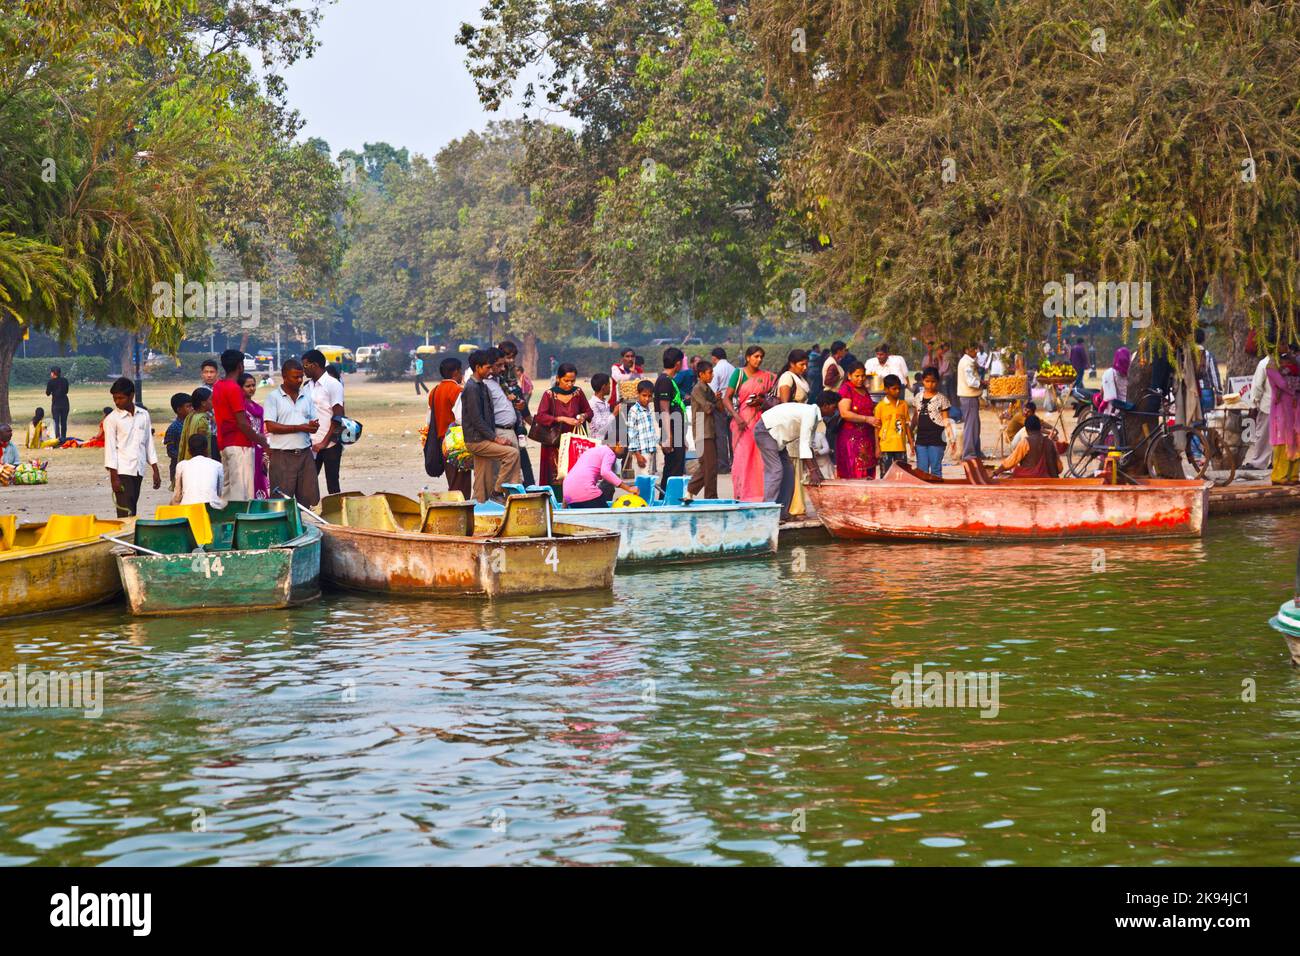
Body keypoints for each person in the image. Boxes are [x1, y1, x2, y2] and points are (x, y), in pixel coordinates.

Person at [753, 391, 841, 520]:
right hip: (766, 431)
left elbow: (808, 446)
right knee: (776, 471)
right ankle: (767, 514)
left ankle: (782, 513)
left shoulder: (814, 415)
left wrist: (817, 472)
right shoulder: (810, 413)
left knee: (789, 472)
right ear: (826, 405)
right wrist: (813, 471)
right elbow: (804, 446)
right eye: (834, 407)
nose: (835, 411)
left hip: (778, 437)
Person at [462, 349, 521, 502]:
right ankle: (497, 491)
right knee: (511, 454)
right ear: (477, 367)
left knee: (483, 480)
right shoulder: (472, 388)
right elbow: (476, 419)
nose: (491, 371)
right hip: (477, 440)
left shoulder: (481, 385)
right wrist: (496, 438)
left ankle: (479, 509)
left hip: (483, 438)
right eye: (487, 368)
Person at [211, 349, 269, 501]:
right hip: (240, 444)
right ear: (240, 366)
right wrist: (261, 440)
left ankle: (228, 523)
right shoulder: (234, 389)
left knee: (228, 491)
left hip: (224, 443)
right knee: (242, 492)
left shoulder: (217, 386)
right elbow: (242, 423)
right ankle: (241, 523)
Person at [263, 358, 321, 506]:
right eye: (295, 377)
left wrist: (312, 426)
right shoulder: (273, 398)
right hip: (282, 456)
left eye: (301, 376)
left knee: (306, 501)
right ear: (284, 376)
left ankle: (302, 527)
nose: (300, 380)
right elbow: (270, 427)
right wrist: (299, 427)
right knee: (280, 503)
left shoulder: (306, 396)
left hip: (304, 454)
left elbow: (314, 423)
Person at [725, 346, 776, 501]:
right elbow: (726, 398)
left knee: (760, 459)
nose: (759, 359)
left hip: (760, 420)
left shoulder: (767, 376)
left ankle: (760, 495)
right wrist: (736, 416)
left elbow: (773, 397)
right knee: (743, 457)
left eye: (761, 357)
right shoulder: (738, 374)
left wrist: (762, 401)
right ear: (748, 357)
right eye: (755, 356)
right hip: (742, 422)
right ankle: (742, 494)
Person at [103, 377, 160, 517]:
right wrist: (114, 477)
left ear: (131, 396)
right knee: (125, 511)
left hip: (138, 469)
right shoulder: (111, 419)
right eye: (115, 398)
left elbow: (148, 443)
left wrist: (155, 469)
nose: (117, 402)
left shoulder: (144, 415)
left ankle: (131, 535)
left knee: (132, 507)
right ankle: (126, 536)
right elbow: (110, 450)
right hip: (122, 470)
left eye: (121, 398)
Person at [535, 363, 592, 486]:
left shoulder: (578, 392)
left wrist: (583, 416)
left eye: (573, 381)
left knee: (575, 477)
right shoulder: (549, 394)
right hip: (554, 442)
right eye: (566, 380)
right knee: (555, 477)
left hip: (574, 443)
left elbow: (589, 411)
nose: (570, 384)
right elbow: (540, 416)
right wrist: (562, 419)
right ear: (558, 379)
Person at [427, 357, 472, 500]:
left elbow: (429, 419)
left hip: (441, 440)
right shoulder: (457, 390)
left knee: (452, 478)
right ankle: (459, 509)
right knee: (462, 482)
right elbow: (460, 418)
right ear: (456, 372)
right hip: (456, 441)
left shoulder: (434, 391)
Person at [489, 346, 534, 487]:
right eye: (508, 357)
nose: (511, 360)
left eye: (513, 356)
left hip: (517, 427)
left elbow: (520, 404)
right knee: (508, 467)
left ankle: (528, 489)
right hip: (503, 429)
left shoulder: (511, 377)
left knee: (523, 464)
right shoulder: (495, 380)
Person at [302, 348, 345, 496]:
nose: (303, 370)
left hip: (330, 443)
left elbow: (338, 416)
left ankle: (337, 515)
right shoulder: (306, 387)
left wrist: (324, 443)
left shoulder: (333, 384)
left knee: (333, 484)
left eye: (305, 366)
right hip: (311, 443)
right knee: (307, 483)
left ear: (314, 365)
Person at [836, 362, 879, 479]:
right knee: (854, 472)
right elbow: (845, 413)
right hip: (852, 440)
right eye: (857, 376)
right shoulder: (846, 389)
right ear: (849, 376)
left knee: (868, 472)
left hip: (867, 437)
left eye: (863, 376)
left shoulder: (864, 389)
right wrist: (866, 419)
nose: (861, 379)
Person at [688, 359, 724, 499]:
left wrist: (718, 399)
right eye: (710, 373)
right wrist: (714, 402)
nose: (712, 375)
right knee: (709, 467)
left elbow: (719, 408)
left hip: (710, 431)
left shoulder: (708, 389)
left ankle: (690, 491)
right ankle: (710, 496)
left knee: (708, 466)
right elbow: (708, 408)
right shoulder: (698, 389)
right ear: (701, 374)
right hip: (703, 432)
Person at [562, 444, 639, 508]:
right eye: (624, 447)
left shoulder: (591, 451)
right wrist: (629, 488)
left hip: (569, 496)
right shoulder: (609, 453)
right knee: (607, 521)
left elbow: (574, 477)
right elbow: (605, 472)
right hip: (586, 492)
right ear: (618, 444)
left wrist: (564, 505)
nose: (623, 451)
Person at [653, 348, 688, 485]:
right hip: (671, 432)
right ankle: (667, 502)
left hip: (677, 431)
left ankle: (669, 501)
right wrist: (668, 437)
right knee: (672, 470)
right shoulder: (665, 381)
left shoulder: (669, 380)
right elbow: (664, 410)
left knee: (676, 468)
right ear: (678, 363)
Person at [913, 367, 955, 477]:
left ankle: (937, 492)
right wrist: (910, 432)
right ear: (922, 380)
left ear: (938, 381)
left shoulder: (942, 399)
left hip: (937, 439)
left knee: (935, 470)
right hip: (921, 439)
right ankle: (924, 493)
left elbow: (946, 420)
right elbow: (915, 417)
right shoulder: (918, 397)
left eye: (933, 382)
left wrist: (951, 438)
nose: (930, 384)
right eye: (927, 381)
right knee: (922, 470)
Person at [1266, 348, 1300, 485]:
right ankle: (1279, 476)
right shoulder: (1272, 367)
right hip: (1281, 409)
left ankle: (1293, 476)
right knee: (1283, 441)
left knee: (1296, 440)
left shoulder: (1294, 364)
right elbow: (1283, 384)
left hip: (1295, 408)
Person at [994, 415, 1062, 478]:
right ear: (1040, 428)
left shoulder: (1025, 442)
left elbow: (1011, 461)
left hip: (1029, 478)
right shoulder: (1050, 443)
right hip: (1048, 478)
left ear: (1026, 429)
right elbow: (1059, 468)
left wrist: (996, 472)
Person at [875, 374, 913, 476]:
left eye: (899, 389)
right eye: (894, 388)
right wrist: (877, 447)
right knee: (885, 474)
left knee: (902, 474)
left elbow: (906, 426)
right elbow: (877, 428)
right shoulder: (880, 406)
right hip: (885, 447)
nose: (897, 391)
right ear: (886, 389)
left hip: (900, 446)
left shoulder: (903, 405)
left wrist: (911, 442)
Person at [171, 434, 224, 506]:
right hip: (211, 509)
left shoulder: (181, 465)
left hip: (188, 509)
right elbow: (220, 493)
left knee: (173, 503)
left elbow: (177, 496)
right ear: (207, 450)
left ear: (189, 451)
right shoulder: (218, 465)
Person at [240, 372, 270, 498]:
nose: (252, 388)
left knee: (258, 477)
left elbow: (262, 432)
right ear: (240, 388)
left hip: (258, 450)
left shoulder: (258, 408)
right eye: (247, 386)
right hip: (245, 449)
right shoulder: (240, 408)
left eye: (253, 385)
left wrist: (264, 452)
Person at [1246, 350, 1274, 470]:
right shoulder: (1284, 361)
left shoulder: (1264, 363)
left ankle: (1258, 462)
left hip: (1268, 405)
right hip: (1282, 406)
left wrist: (1253, 405)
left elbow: (1257, 386)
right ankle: (1275, 462)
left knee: (1263, 435)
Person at [624, 380, 659, 477]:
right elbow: (632, 434)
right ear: (638, 394)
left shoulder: (649, 410)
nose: (647, 399)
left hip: (650, 450)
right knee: (642, 481)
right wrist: (637, 455)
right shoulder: (634, 411)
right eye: (644, 395)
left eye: (649, 396)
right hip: (641, 453)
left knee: (648, 480)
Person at [709, 348, 735, 472]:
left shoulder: (716, 370)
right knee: (733, 435)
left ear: (714, 358)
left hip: (720, 404)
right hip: (733, 404)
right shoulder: (733, 369)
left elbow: (713, 390)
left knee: (720, 435)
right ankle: (735, 463)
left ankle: (723, 465)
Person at [957, 343, 983, 459]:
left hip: (971, 397)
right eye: (973, 349)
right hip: (969, 397)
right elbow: (971, 382)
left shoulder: (969, 361)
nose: (976, 351)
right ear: (967, 350)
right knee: (971, 426)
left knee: (975, 425)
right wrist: (983, 383)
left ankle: (976, 451)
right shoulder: (967, 363)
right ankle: (969, 454)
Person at [163, 392, 193, 488]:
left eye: (192, 406)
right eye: (188, 406)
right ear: (179, 410)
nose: (192, 409)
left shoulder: (193, 424)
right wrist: (185, 457)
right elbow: (170, 451)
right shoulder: (173, 428)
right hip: (178, 467)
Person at [179, 387, 214, 462]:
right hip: (200, 460)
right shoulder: (202, 420)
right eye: (211, 399)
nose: (213, 401)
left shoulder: (191, 415)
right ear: (203, 403)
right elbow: (201, 444)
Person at [1194, 328, 1221, 415]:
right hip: (1206, 391)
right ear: (1203, 339)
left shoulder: (1187, 354)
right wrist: (1218, 392)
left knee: (1194, 421)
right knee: (1208, 419)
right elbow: (1214, 375)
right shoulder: (1208, 355)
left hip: (1192, 391)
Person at [588, 372, 616, 445]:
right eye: (609, 385)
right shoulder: (592, 404)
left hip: (608, 441)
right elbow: (600, 426)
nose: (610, 387)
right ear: (603, 387)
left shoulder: (605, 402)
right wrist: (614, 414)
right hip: (598, 443)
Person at [1101, 347, 1131, 412]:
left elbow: (1103, 392)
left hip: (1112, 408)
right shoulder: (1132, 373)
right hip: (1128, 407)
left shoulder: (1109, 373)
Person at [45, 367, 70, 442]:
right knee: (64, 422)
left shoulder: (51, 382)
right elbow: (66, 391)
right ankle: (64, 437)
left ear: (53, 373)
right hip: (65, 403)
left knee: (56, 422)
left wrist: (53, 391)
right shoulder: (65, 380)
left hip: (56, 404)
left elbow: (47, 393)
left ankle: (57, 438)